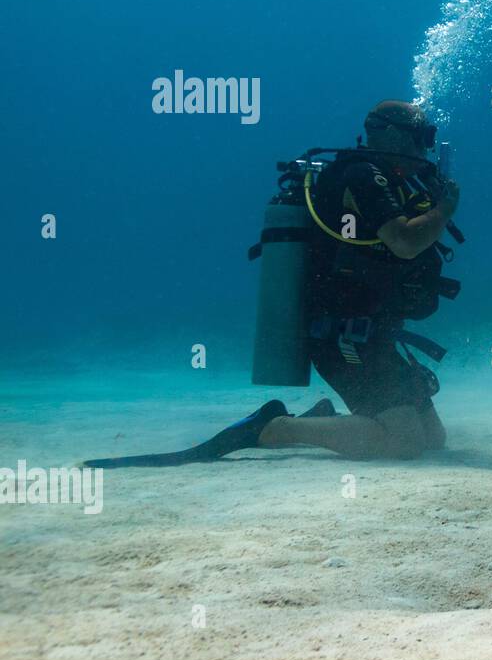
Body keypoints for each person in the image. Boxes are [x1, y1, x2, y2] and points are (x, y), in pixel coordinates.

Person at [86, 100, 460, 467]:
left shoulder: (395, 184)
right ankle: (272, 428)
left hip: (373, 332)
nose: (424, 147)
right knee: (403, 441)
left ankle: (320, 418)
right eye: (422, 136)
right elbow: (405, 241)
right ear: (392, 135)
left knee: (433, 439)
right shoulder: (362, 176)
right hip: (341, 337)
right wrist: (445, 207)